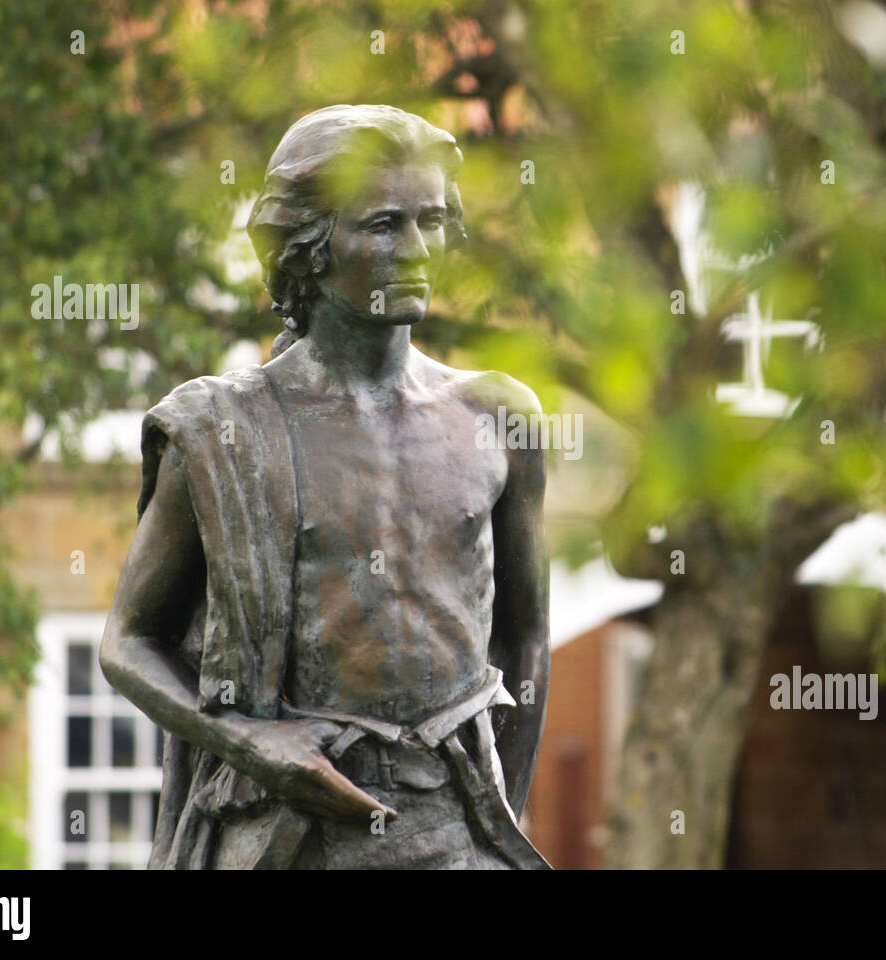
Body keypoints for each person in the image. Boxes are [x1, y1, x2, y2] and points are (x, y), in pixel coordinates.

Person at [100, 104, 550, 869]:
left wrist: (496, 813)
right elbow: (128, 641)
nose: (418, 250)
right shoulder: (221, 431)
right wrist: (252, 742)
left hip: (455, 831)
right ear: (308, 248)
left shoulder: (499, 418)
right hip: (285, 832)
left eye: (432, 221)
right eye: (383, 225)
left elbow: (524, 637)